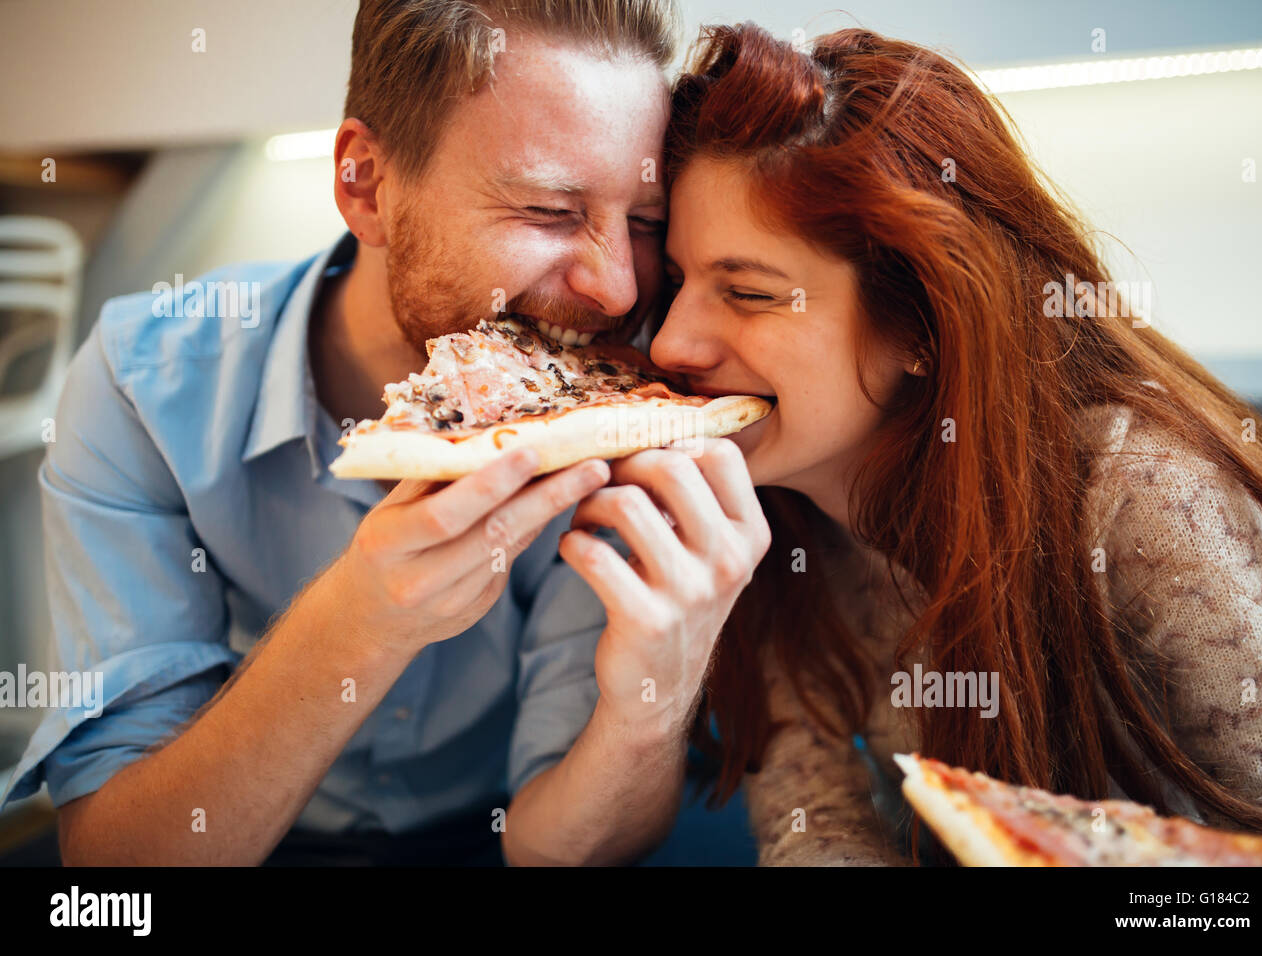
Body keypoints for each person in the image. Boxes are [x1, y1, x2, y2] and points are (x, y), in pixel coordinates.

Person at [0, 0, 770, 867]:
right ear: (365, 182)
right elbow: (116, 869)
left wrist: (656, 702)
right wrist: (361, 620)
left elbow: (567, 851)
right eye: (550, 211)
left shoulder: (634, 389)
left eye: (642, 221)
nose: (620, 292)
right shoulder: (142, 384)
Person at [646, 23, 1262, 865]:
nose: (670, 344)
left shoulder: (1141, 494)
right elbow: (813, 822)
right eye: (676, 282)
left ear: (925, 323)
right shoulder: (769, 529)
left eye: (748, 291)